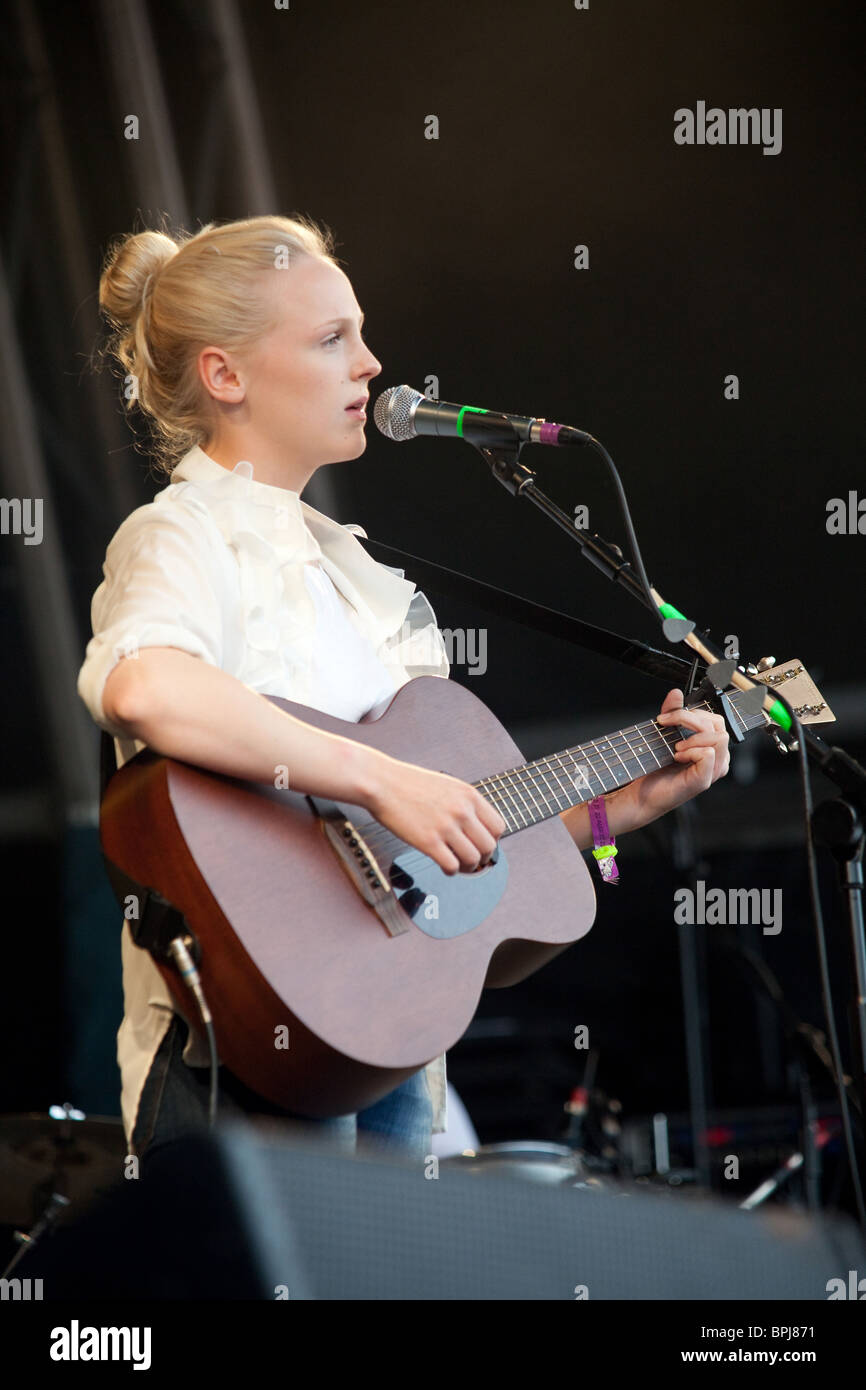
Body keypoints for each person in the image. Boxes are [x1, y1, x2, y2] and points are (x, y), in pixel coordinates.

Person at [77, 214, 730, 1168]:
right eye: (333, 338)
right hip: (254, 1039)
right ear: (226, 375)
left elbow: (415, 849)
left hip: (387, 1037)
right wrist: (381, 779)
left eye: (363, 333)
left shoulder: (348, 569)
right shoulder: (183, 534)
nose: (372, 365)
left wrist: (606, 817)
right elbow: (144, 687)